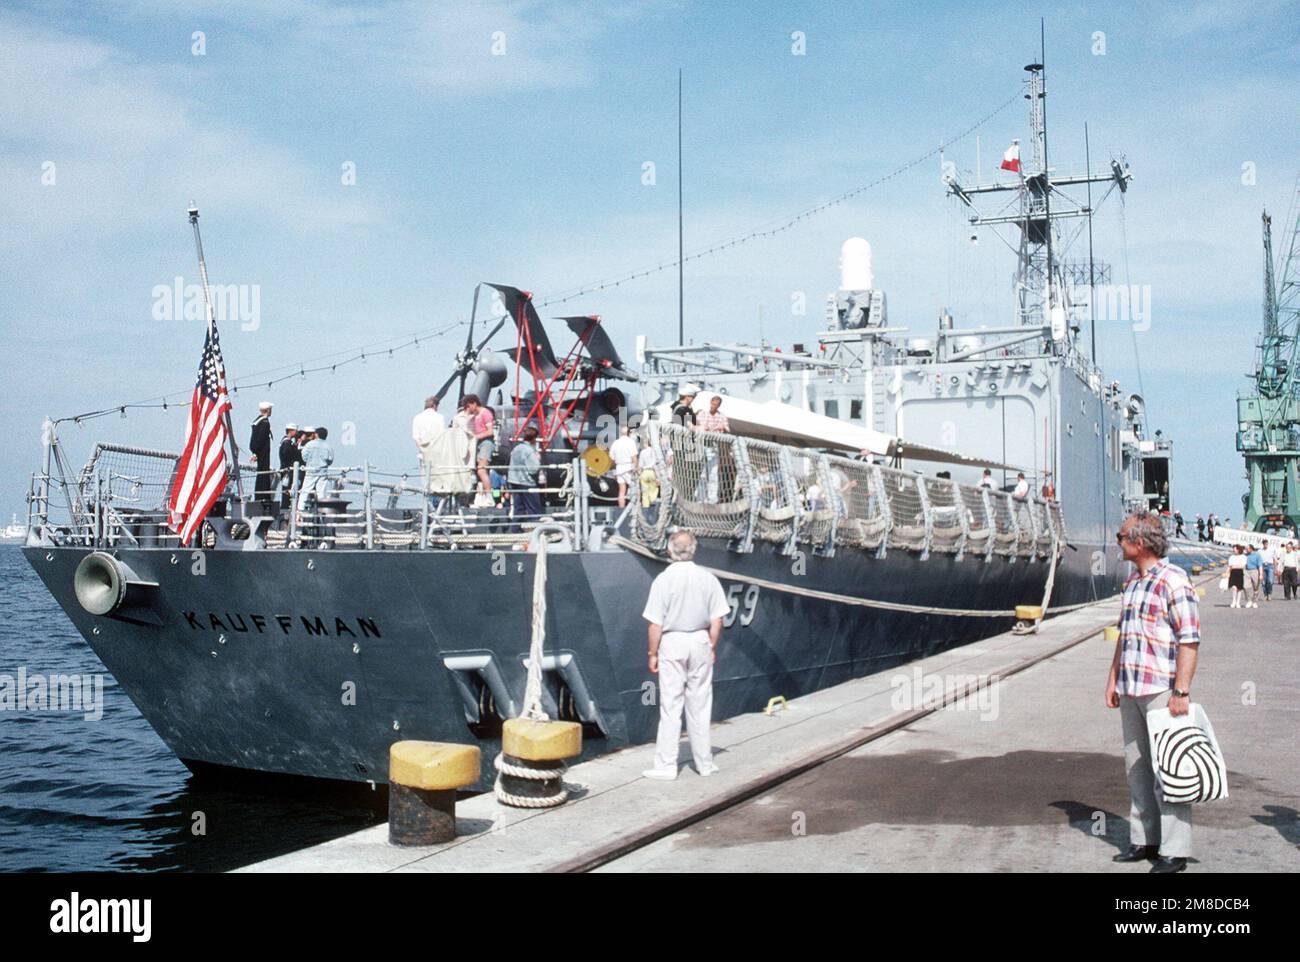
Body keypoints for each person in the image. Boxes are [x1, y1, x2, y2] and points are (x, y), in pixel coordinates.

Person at [1105, 511, 1201, 874]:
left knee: (1170, 769)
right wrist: (1112, 679)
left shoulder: (1174, 581)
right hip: (1131, 688)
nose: (1118, 540)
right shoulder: (1133, 584)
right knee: (1137, 768)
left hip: (1162, 689)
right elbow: (1124, 637)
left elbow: (1189, 640)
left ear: (1139, 542)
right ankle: (1145, 839)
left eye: (1122, 535)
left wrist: (1181, 690)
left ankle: (1175, 851)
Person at [641, 530, 730, 781]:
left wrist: (652, 653)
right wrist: (711, 646)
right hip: (700, 639)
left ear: (670, 550)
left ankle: (667, 766)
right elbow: (718, 619)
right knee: (700, 704)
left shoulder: (662, 580)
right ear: (694, 549)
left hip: (672, 641)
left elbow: (654, 624)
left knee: (671, 705)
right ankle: (705, 764)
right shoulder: (708, 578)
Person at [412, 395, 447, 504]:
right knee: (437, 483)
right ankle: (436, 507)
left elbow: (416, 438)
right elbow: (442, 436)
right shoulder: (439, 417)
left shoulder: (417, 418)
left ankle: (428, 506)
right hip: (437, 453)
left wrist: (423, 449)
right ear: (435, 405)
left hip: (423, 453)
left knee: (426, 484)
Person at [507, 426, 542, 531]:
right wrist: (538, 459)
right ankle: (536, 533)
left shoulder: (516, 448)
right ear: (534, 439)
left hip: (514, 481)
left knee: (518, 509)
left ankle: (514, 532)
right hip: (526, 483)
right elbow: (534, 469)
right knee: (534, 510)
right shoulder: (529, 451)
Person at [462, 395, 495, 501]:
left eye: (468, 406)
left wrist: (476, 437)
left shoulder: (485, 413)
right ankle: (481, 496)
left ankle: (489, 496)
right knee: (476, 471)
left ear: (474, 403)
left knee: (481, 470)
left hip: (486, 443)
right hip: (477, 444)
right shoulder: (474, 416)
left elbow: (490, 431)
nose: (467, 409)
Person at [297, 426, 334, 511]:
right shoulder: (328, 446)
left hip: (310, 471)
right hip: (323, 472)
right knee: (321, 493)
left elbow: (304, 457)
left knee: (305, 491)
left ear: (316, 434)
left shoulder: (309, 444)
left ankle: (300, 511)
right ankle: (321, 511)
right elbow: (330, 460)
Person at [248, 401, 274, 502]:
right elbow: (260, 439)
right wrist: (257, 452)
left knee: (261, 473)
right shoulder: (264, 423)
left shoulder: (258, 421)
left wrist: (254, 452)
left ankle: (261, 496)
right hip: (263, 453)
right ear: (267, 410)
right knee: (263, 473)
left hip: (259, 451)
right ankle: (262, 497)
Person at [609, 425, 639, 509]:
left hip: (619, 467)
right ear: (629, 433)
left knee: (622, 490)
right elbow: (634, 457)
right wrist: (637, 468)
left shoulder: (615, 443)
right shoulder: (630, 442)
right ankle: (636, 508)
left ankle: (621, 509)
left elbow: (611, 458)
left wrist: (614, 469)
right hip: (629, 467)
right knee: (635, 488)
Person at [278, 422, 303, 509]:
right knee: (287, 489)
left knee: (287, 489)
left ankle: (287, 505)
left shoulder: (285, 442)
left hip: (286, 469)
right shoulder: (287, 443)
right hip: (287, 470)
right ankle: (285, 506)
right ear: (291, 431)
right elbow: (288, 454)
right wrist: (297, 448)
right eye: (295, 431)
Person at [638, 437, 660, 508]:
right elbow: (655, 464)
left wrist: (639, 473)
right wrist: (658, 476)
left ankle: (646, 506)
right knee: (654, 488)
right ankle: (652, 500)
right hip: (652, 471)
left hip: (644, 472)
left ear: (646, 444)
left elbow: (640, 465)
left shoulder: (642, 452)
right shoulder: (654, 451)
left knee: (645, 491)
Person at [1226, 544, 1247, 608]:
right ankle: (1233, 601)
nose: (1234, 551)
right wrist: (1227, 573)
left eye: (1235, 549)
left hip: (1240, 573)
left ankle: (1238, 602)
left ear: (1238, 550)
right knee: (1234, 587)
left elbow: (1242, 566)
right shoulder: (1231, 557)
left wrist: (1234, 566)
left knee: (1239, 588)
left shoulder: (1243, 557)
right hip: (1233, 573)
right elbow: (1229, 566)